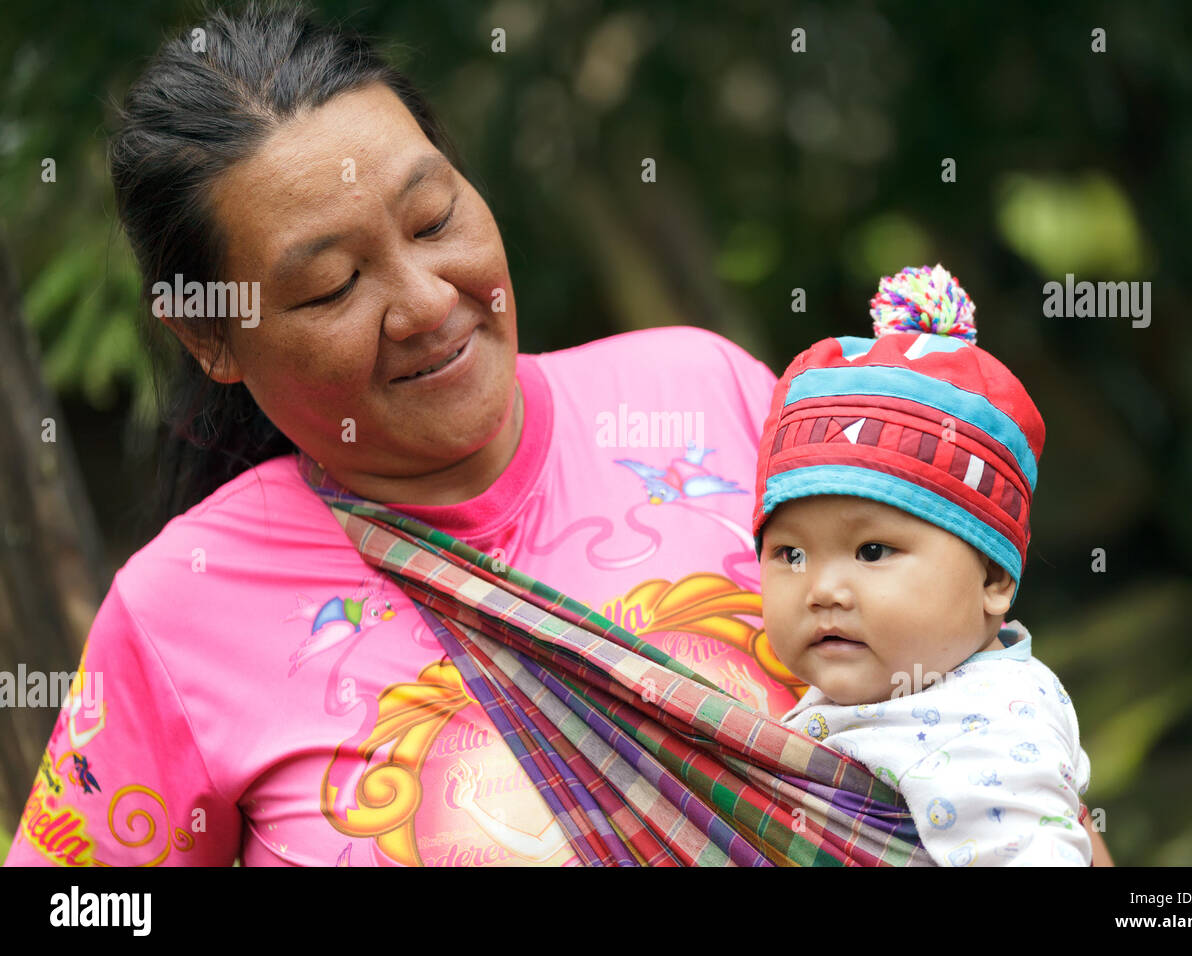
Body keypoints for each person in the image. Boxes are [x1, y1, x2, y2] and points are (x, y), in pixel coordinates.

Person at [3, 3, 788, 868]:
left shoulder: (704, 392)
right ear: (209, 336)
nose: (426, 303)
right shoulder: (173, 614)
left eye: (433, 221)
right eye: (333, 286)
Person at [754, 265, 1094, 866]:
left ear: (993, 579)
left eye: (872, 551)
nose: (823, 590)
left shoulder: (978, 728)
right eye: (791, 554)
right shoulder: (898, 692)